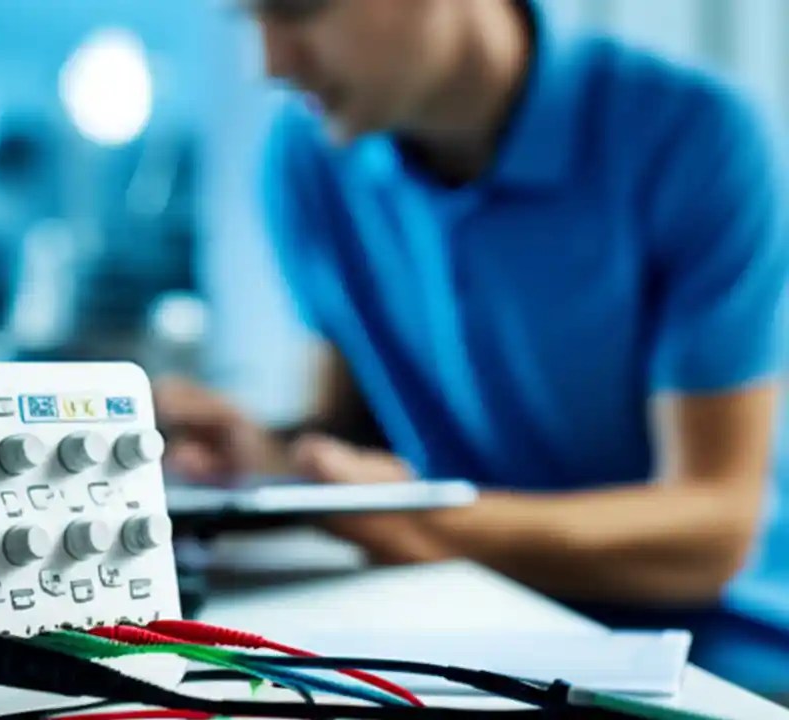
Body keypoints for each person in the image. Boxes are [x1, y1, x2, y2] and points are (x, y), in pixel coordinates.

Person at [156, 0, 789, 694]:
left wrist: (431, 525)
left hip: (721, 649)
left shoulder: (694, 136)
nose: (269, 64)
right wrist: (267, 460)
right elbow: (354, 430)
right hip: (464, 613)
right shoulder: (310, 155)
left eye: (298, 10)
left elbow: (713, 530)